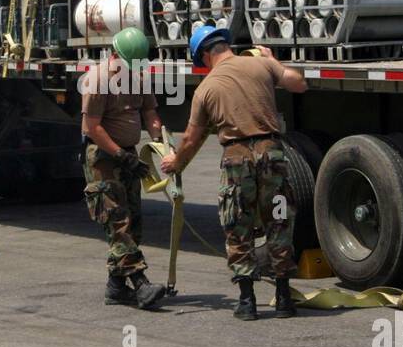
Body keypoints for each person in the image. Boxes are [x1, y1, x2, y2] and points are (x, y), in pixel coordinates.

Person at [161, 26, 307, 321]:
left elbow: (191, 138)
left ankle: (247, 301)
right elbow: (299, 84)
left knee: (238, 226)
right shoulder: (261, 64)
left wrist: (175, 162)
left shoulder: (205, 89)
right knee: (278, 220)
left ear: (203, 56)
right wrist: (272, 59)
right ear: (226, 44)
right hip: (272, 155)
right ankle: (283, 299)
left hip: (237, 161)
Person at [81, 27, 168, 310]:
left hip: (127, 157)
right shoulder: (98, 79)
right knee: (117, 223)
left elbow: (150, 113)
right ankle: (140, 284)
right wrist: (119, 154)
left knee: (133, 219)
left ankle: (116, 287)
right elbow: (92, 127)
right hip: (104, 159)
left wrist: (160, 143)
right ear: (114, 53)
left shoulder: (139, 78)